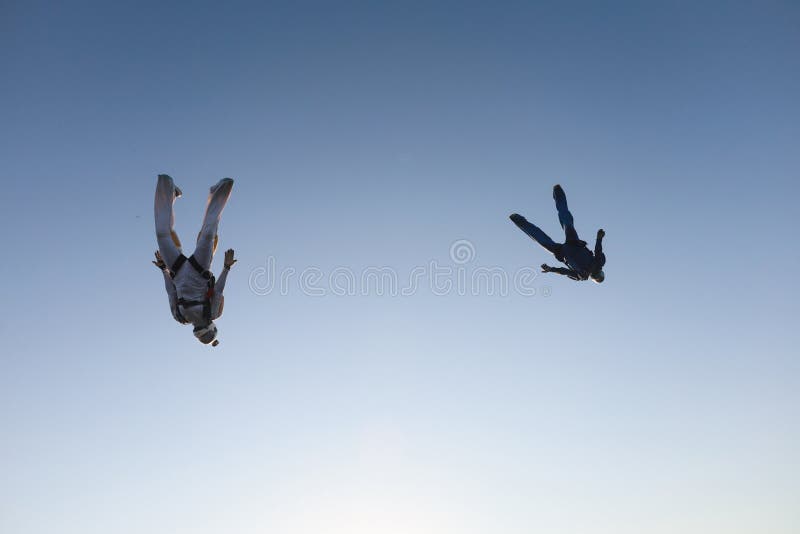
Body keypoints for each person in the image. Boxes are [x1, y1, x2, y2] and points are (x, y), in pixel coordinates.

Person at [152, 174, 236, 345]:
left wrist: (164, 269)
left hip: (178, 271)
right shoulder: (212, 314)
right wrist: (226, 268)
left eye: (200, 336)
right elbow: (218, 290)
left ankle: (169, 191)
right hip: (199, 270)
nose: (199, 332)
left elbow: (171, 292)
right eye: (204, 334)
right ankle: (217, 191)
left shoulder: (180, 316)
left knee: (162, 234)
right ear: (211, 327)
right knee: (208, 234)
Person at [510, 184, 605, 283]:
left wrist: (599, 238)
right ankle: (518, 220)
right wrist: (551, 269)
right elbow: (564, 271)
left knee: (565, 220)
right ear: (594, 278)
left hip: (570, 246)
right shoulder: (585, 273)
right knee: (542, 237)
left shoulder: (590, 270)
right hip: (566, 249)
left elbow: (597, 251)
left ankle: (557, 192)